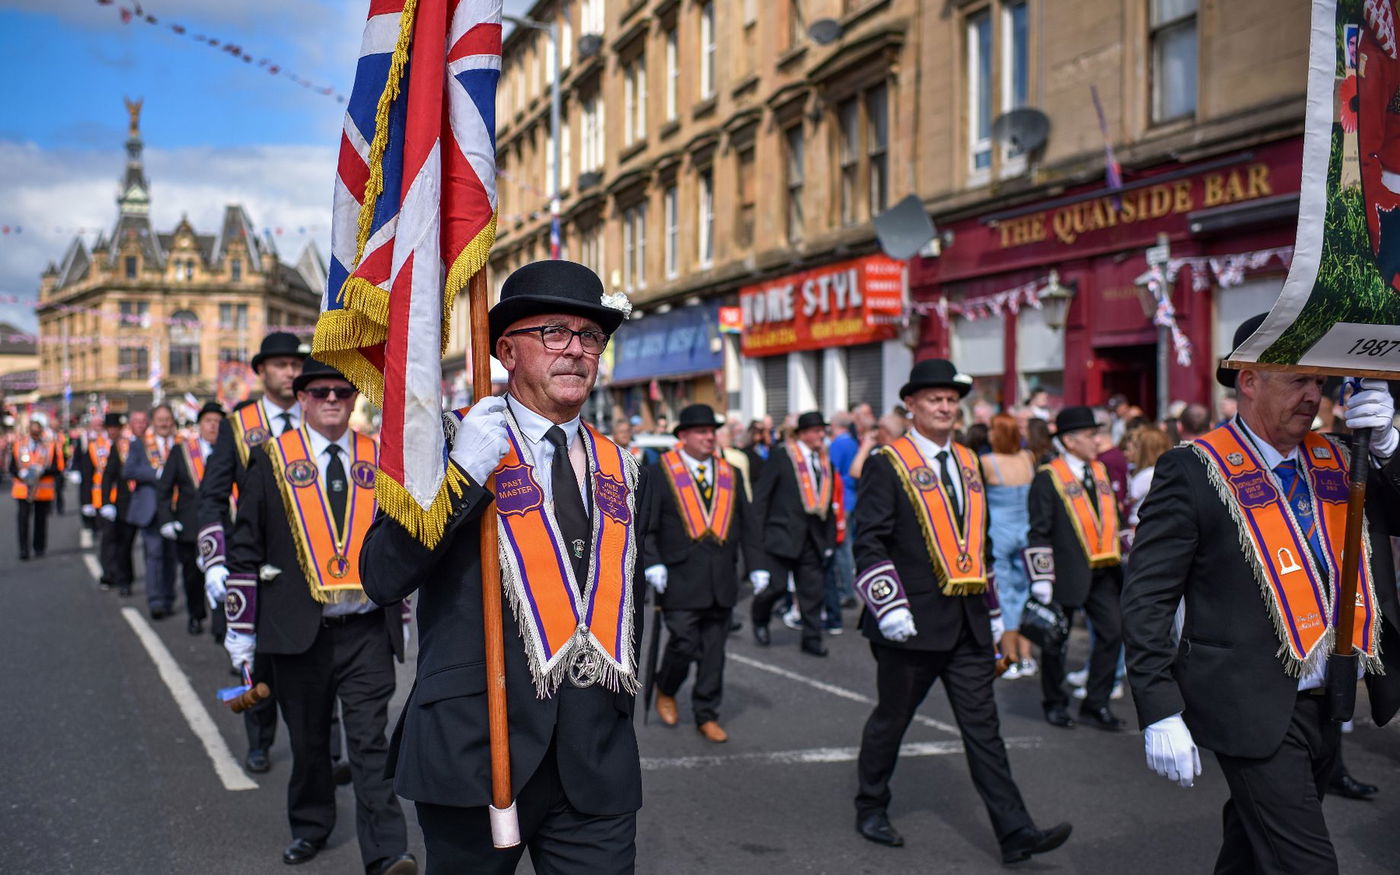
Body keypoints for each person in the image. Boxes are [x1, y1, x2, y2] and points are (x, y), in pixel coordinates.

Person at [359, 260, 648, 873]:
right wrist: (461, 478)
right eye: (555, 333)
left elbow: (628, 606)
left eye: (590, 336)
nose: (576, 350)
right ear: (507, 351)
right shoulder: (449, 443)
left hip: (595, 759)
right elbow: (382, 575)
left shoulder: (623, 466)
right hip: (475, 747)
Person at [1122, 313, 1400, 871]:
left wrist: (1391, 447)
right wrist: (1158, 706)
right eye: (1297, 380)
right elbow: (1148, 597)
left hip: (1329, 696)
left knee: (1251, 852)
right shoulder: (1192, 470)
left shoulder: (1342, 456)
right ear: (1248, 381)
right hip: (1247, 702)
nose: (1313, 395)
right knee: (1306, 864)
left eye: (1318, 381)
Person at [851, 359, 1071, 863]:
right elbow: (870, 542)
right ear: (911, 405)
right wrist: (888, 606)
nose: (945, 407)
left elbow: (978, 543)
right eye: (935, 399)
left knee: (983, 729)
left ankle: (1015, 831)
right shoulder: (889, 462)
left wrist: (993, 613)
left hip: (969, 623)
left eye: (951, 400)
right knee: (892, 720)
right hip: (909, 622)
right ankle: (871, 805)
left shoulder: (971, 461)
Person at [224, 359, 415, 874]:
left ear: (354, 400)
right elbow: (246, 546)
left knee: (370, 744)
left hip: (366, 629)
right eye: (320, 391)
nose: (332, 399)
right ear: (303, 399)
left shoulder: (380, 458)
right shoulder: (270, 458)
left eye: (341, 392)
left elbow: (401, 540)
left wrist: (403, 605)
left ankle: (387, 853)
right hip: (298, 632)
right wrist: (240, 628)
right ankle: (310, 827)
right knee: (309, 743)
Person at [197, 330, 307, 774]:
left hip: (314, 558)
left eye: (296, 365)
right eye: (281, 365)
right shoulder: (238, 424)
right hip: (258, 560)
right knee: (259, 659)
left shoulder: (318, 414)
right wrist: (215, 560)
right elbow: (212, 496)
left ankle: (326, 747)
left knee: (321, 658)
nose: (290, 372)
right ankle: (259, 740)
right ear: (261, 371)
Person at [643, 403, 764, 743]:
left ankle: (706, 714)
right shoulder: (659, 472)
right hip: (679, 578)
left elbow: (748, 523)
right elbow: (646, 525)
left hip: (721, 578)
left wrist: (758, 565)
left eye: (712, 431)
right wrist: (652, 561)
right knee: (684, 642)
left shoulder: (730, 473)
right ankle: (666, 686)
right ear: (683, 436)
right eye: (701, 432)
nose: (709, 437)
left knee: (714, 653)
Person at [1024, 406, 1126, 731]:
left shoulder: (1100, 471)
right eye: (1090, 435)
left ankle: (1096, 704)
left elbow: (1112, 517)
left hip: (1103, 570)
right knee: (1056, 640)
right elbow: (1038, 530)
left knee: (1113, 632)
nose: (1097, 440)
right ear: (1069, 440)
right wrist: (1041, 577)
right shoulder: (1048, 476)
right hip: (1064, 572)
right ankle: (1054, 703)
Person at [750, 410, 838, 656]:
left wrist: (829, 540)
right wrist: (757, 535)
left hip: (813, 538)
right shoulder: (782, 456)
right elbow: (762, 496)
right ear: (804, 433)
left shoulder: (824, 462)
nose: (821, 435)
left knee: (812, 591)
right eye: (817, 431)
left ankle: (811, 639)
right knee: (776, 587)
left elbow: (828, 504)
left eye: (823, 431)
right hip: (782, 535)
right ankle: (760, 619)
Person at [156, 402, 223, 635]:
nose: (213, 426)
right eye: (208, 421)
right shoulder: (182, 451)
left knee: (222, 576)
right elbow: (164, 488)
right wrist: (166, 519)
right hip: (190, 526)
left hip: (222, 525)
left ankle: (221, 625)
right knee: (192, 576)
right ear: (199, 425)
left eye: (218, 422)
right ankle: (196, 615)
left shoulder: (230, 450)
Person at [983, 413, 1036, 676]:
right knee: (1025, 593)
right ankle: (1026, 656)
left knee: (1003, 595)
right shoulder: (1028, 458)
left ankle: (1009, 657)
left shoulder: (987, 462)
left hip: (999, 534)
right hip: (1025, 531)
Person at [124, 404, 179, 620]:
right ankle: (155, 600)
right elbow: (129, 470)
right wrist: (156, 473)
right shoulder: (140, 444)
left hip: (175, 508)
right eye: (160, 419)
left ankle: (168, 598)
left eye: (167, 419)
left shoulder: (181, 443)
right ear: (153, 422)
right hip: (151, 509)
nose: (164, 423)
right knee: (154, 555)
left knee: (171, 557)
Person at [99, 412, 141, 597]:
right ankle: (124, 580)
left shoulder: (153, 443)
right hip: (126, 503)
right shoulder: (120, 446)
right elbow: (108, 475)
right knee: (123, 544)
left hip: (148, 501)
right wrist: (106, 502)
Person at [10, 414, 63, 560]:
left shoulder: (49, 446)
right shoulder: (19, 445)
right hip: (23, 489)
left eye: (37, 430)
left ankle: (39, 547)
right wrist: (21, 474)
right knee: (23, 520)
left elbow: (56, 468)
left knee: (40, 520)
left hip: (42, 489)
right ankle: (24, 550)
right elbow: (12, 467)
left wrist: (42, 471)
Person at [78, 413, 121, 588]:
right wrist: (86, 501)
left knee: (122, 538)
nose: (113, 431)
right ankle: (108, 573)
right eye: (110, 428)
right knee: (108, 537)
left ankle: (121, 573)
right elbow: (87, 475)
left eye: (116, 428)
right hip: (101, 499)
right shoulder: (95, 447)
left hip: (123, 499)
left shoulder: (125, 445)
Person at [1125, 426, 1171, 537]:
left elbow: (1128, 501)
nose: (1132, 451)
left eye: (1136, 447)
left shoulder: (1146, 475)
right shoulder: (1161, 470)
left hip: (1137, 527)